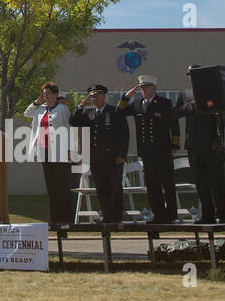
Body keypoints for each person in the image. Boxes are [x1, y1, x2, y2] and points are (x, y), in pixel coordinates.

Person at [117, 75, 180, 223]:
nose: (144, 90)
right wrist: (126, 97)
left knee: (167, 183)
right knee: (152, 185)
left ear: (154, 88)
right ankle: (158, 214)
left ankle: (171, 214)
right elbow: (119, 112)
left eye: (147, 87)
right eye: (142, 88)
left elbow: (174, 124)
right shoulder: (138, 104)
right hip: (146, 151)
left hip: (163, 150)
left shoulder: (164, 103)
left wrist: (175, 145)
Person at [177, 65, 225, 224]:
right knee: (201, 183)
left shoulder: (212, 90)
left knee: (217, 181)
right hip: (193, 144)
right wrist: (190, 105)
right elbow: (176, 112)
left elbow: (222, 117)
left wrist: (218, 140)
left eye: (194, 74)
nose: (192, 77)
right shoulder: (185, 94)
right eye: (189, 75)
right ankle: (207, 214)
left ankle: (222, 214)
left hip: (211, 144)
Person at [70, 84, 129, 224]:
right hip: (96, 158)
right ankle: (107, 217)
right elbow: (73, 120)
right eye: (92, 96)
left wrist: (122, 154)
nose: (94, 98)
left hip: (113, 157)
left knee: (114, 187)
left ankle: (117, 217)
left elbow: (124, 133)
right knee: (101, 188)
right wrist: (82, 104)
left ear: (104, 95)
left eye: (97, 95)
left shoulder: (113, 111)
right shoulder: (88, 113)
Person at [24, 83, 74, 227]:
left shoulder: (62, 109)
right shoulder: (40, 109)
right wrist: (37, 102)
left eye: (49, 94)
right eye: (45, 94)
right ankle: (54, 217)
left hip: (60, 150)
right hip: (45, 150)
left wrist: (70, 149)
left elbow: (68, 128)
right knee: (51, 185)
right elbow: (27, 113)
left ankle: (65, 217)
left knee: (62, 185)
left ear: (55, 95)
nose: (47, 97)